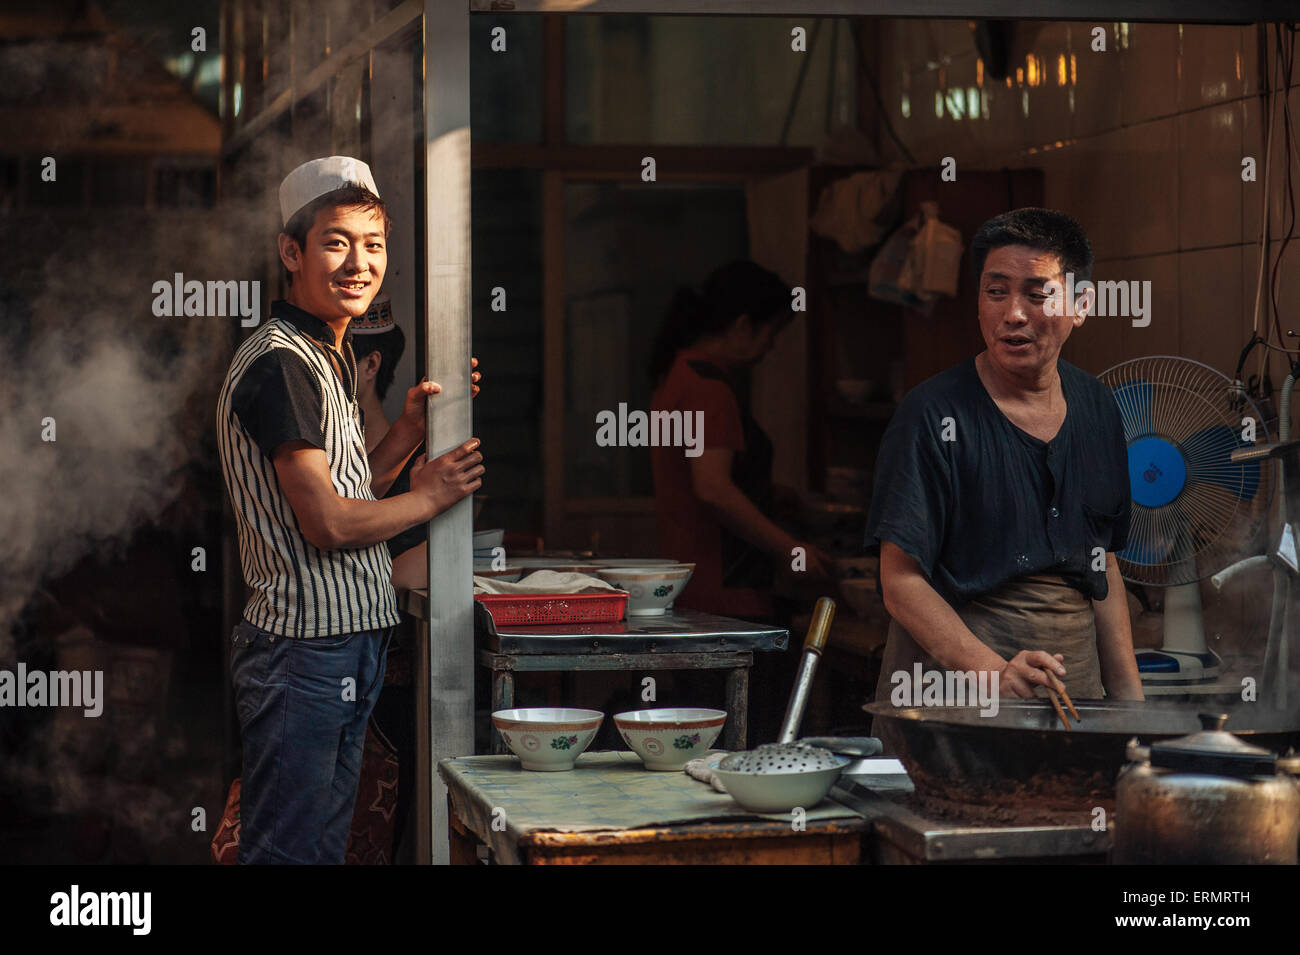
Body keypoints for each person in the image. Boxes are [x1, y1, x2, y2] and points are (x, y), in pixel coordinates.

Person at [215, 156, 485, 864]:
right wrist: (426, 496)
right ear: (291, 251)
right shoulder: (281, 363)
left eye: (373, 244)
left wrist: (406, 432)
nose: (359, 262)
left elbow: (345, 484)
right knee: (289, 854)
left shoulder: (325, 354)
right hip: (303, 654)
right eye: (336, 242)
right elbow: (328, 522)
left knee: (323, 852)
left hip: (343, 646)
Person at [865, 208, 1143, 752]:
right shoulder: (931, 414)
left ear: (1080, 306)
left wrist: (1132, 710)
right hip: (955, 699)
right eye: (996, 292)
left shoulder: (1098, 407)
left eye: (1038, 294)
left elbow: (1102, 562)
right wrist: (993, 674)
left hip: (1072, 695)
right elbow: (900, 582)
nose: (1014, 314)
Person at [650, 260, 834, 622]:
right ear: (742, 325)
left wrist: (768, 493)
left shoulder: (679, 374)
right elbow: (712, 488)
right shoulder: (708, 389)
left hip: (690, 587)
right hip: (723, 596)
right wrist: (792, 549)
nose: (770, 348)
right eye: (771, 333)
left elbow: (694, 479)